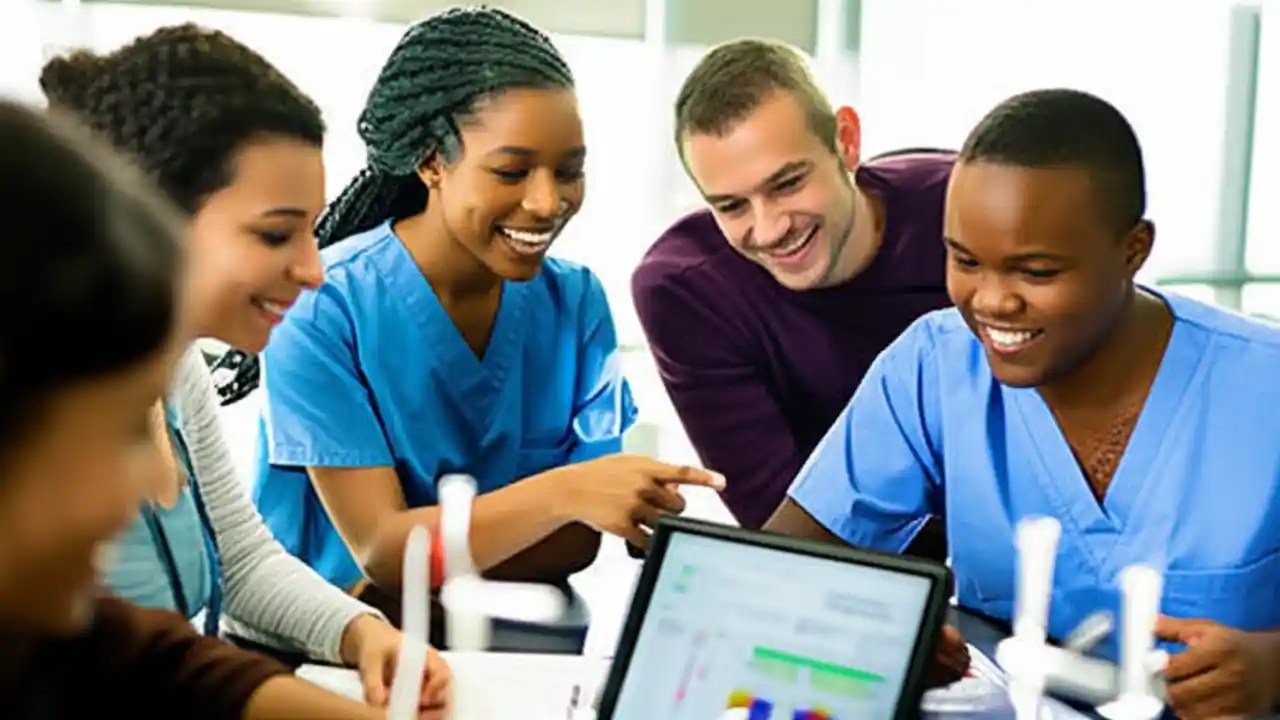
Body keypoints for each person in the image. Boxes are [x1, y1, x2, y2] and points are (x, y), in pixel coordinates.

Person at [767, 87, 1280, 717]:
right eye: (964, 261)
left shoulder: (1264, 387)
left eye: (1036, 272)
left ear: (1133, 250)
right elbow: (780, 571)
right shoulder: (935, 367)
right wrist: (890, 636)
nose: (991, 301)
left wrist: (1271, 667)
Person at [252, 6, 725, 636]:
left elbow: (578, 543)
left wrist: (432, 552)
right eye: (510, 171)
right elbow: (384, 551)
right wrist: (565, 494)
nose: (547, 202)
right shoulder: (321, 305)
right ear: (432, 162)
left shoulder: (575, 302)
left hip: (516, 642)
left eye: (569, 171)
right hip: (330, 647)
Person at [39, 25, 449, 713]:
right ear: (151, 211)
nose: (314, 270)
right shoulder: (42, 401)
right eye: (275, 234)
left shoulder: (176, 374)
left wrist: (363, 633)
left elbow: (238, 562)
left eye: (313, 231)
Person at [632, 38, 953, 533]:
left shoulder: (962, 210)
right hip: (846, 563)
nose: (768, 230)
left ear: (846, 141)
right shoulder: (687, 292)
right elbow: (781, 529)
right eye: (731, 206)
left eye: (787, 185)